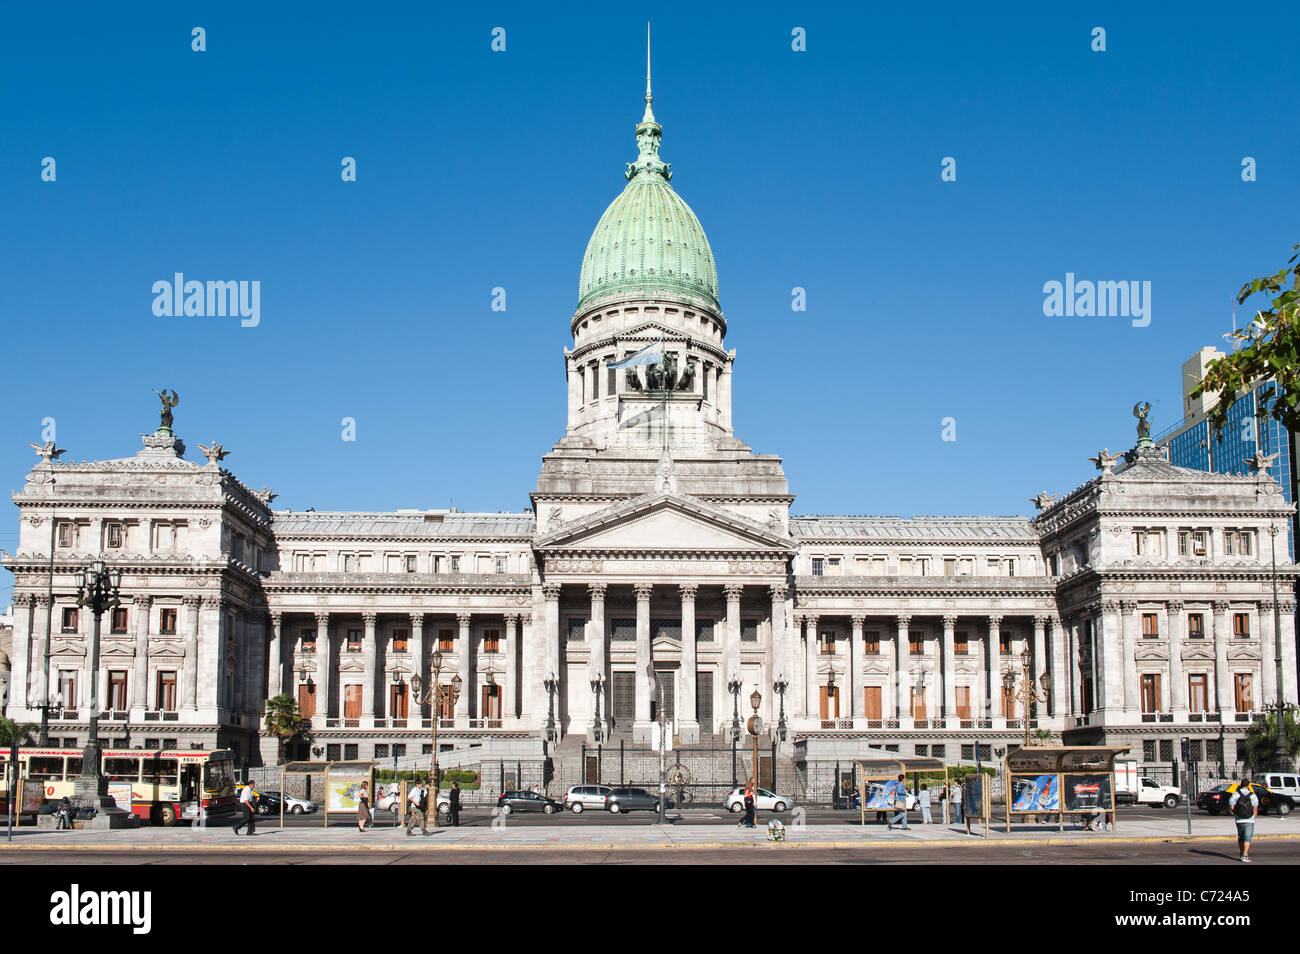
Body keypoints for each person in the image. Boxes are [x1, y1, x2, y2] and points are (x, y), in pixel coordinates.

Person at [1228, 778, 1259, 862]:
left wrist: (1236, 814)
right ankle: (1245, 855)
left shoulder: (1235, 794)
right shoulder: (1253, 795)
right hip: (1250, 819)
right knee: (1247, 838)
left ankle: (1242, 853)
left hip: (1239, 820)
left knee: (1241, 837)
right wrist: (1253, 818)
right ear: (1248, 785)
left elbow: (1231, 806)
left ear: (1241, 785)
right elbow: (1255, 809)